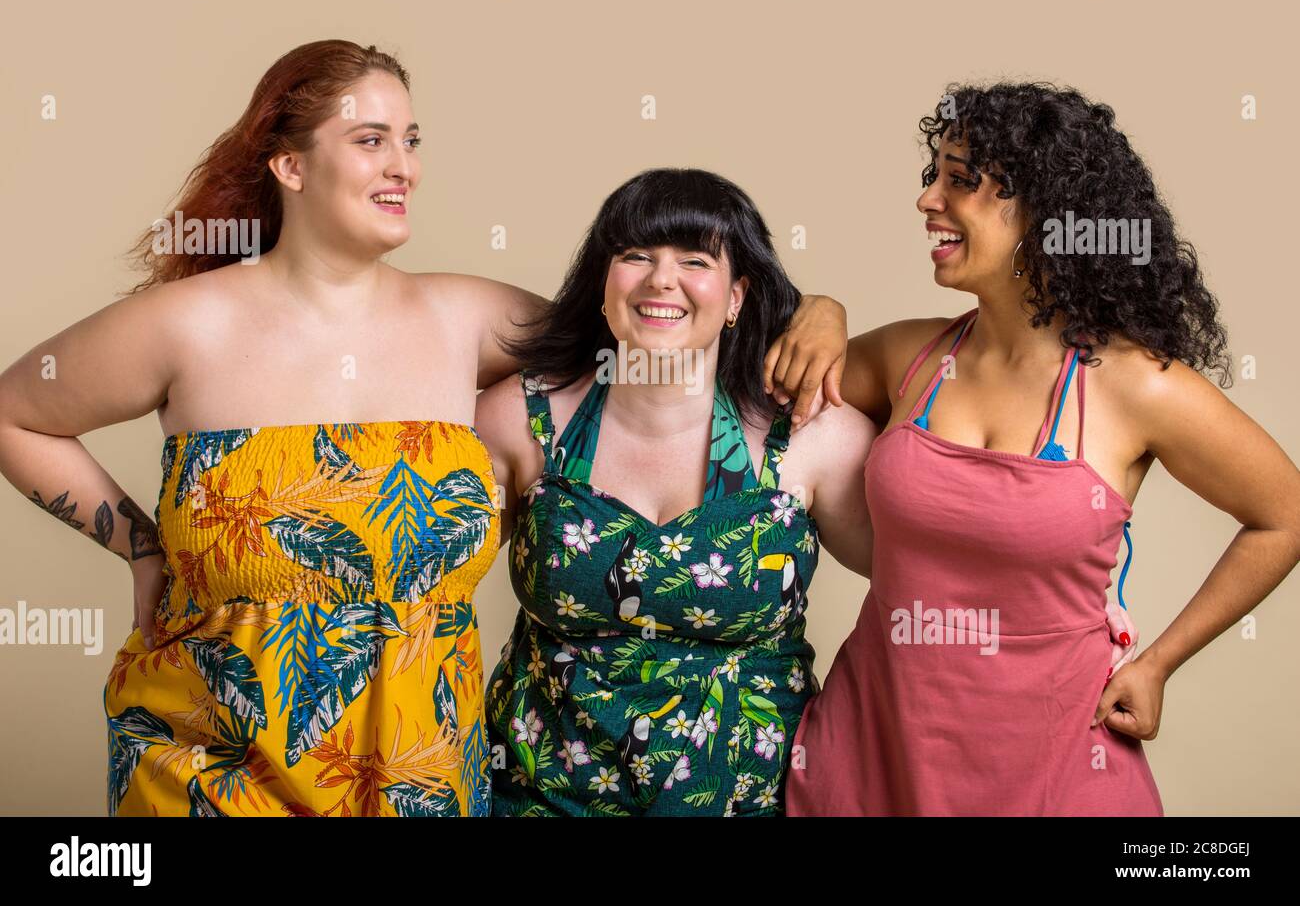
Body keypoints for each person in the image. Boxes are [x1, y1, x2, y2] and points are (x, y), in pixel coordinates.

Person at [0, 40, 550, 816]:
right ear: (289, 167)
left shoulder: (471, 318)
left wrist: (790, 316)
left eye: (411, 140)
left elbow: (664, 330)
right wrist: (141, 546)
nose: (404, 166)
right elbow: (14, 411)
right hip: (209, 784)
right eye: (371, 140)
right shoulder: (189, 325)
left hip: (424, 789)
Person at [768, 82, 1300, 815]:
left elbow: (1285, 513)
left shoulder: (1136, 386)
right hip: (866, 764)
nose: (928, 200)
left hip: (1054, 773)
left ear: (1049, 215)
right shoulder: (910, 356)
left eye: (961, 181)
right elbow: (753, 386)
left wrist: (1159, 665)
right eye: (935, 175)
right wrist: (820, 310)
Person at [473, 168, 876, 815]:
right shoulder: (520, 421)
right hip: (538, 798)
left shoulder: (810, 438)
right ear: (603, 286)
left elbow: (930, 579)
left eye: (694, 259)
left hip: (758, 804)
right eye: (636, 255)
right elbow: (427, 583)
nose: (662, 278)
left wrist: (1102, 629)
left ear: (737, 296)